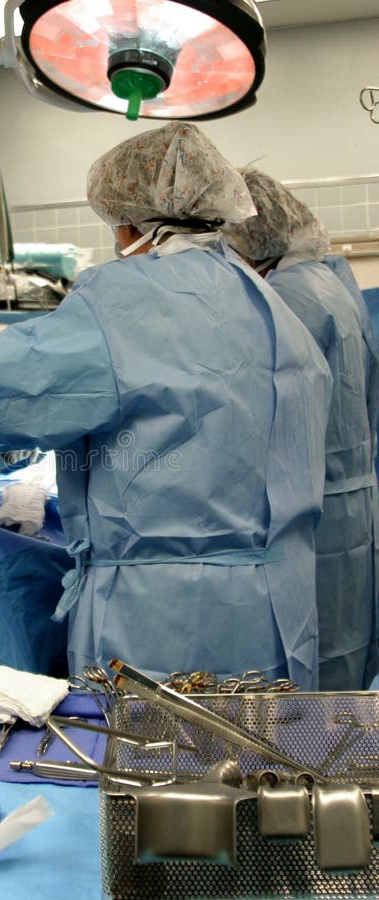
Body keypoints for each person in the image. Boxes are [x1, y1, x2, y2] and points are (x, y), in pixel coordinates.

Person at [0, 122, 332, 689]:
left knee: (150, 765)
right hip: (275, 605)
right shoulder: (269, 300)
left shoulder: (126, 297)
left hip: (162, 618)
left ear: (130, 221)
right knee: (261, 767)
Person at [223, 168, 378, 690]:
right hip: (347, 505)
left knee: (317, 679)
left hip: (315, 513)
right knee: (345, 656)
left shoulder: (288, 298)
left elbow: (260, 414)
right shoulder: (328, 283)